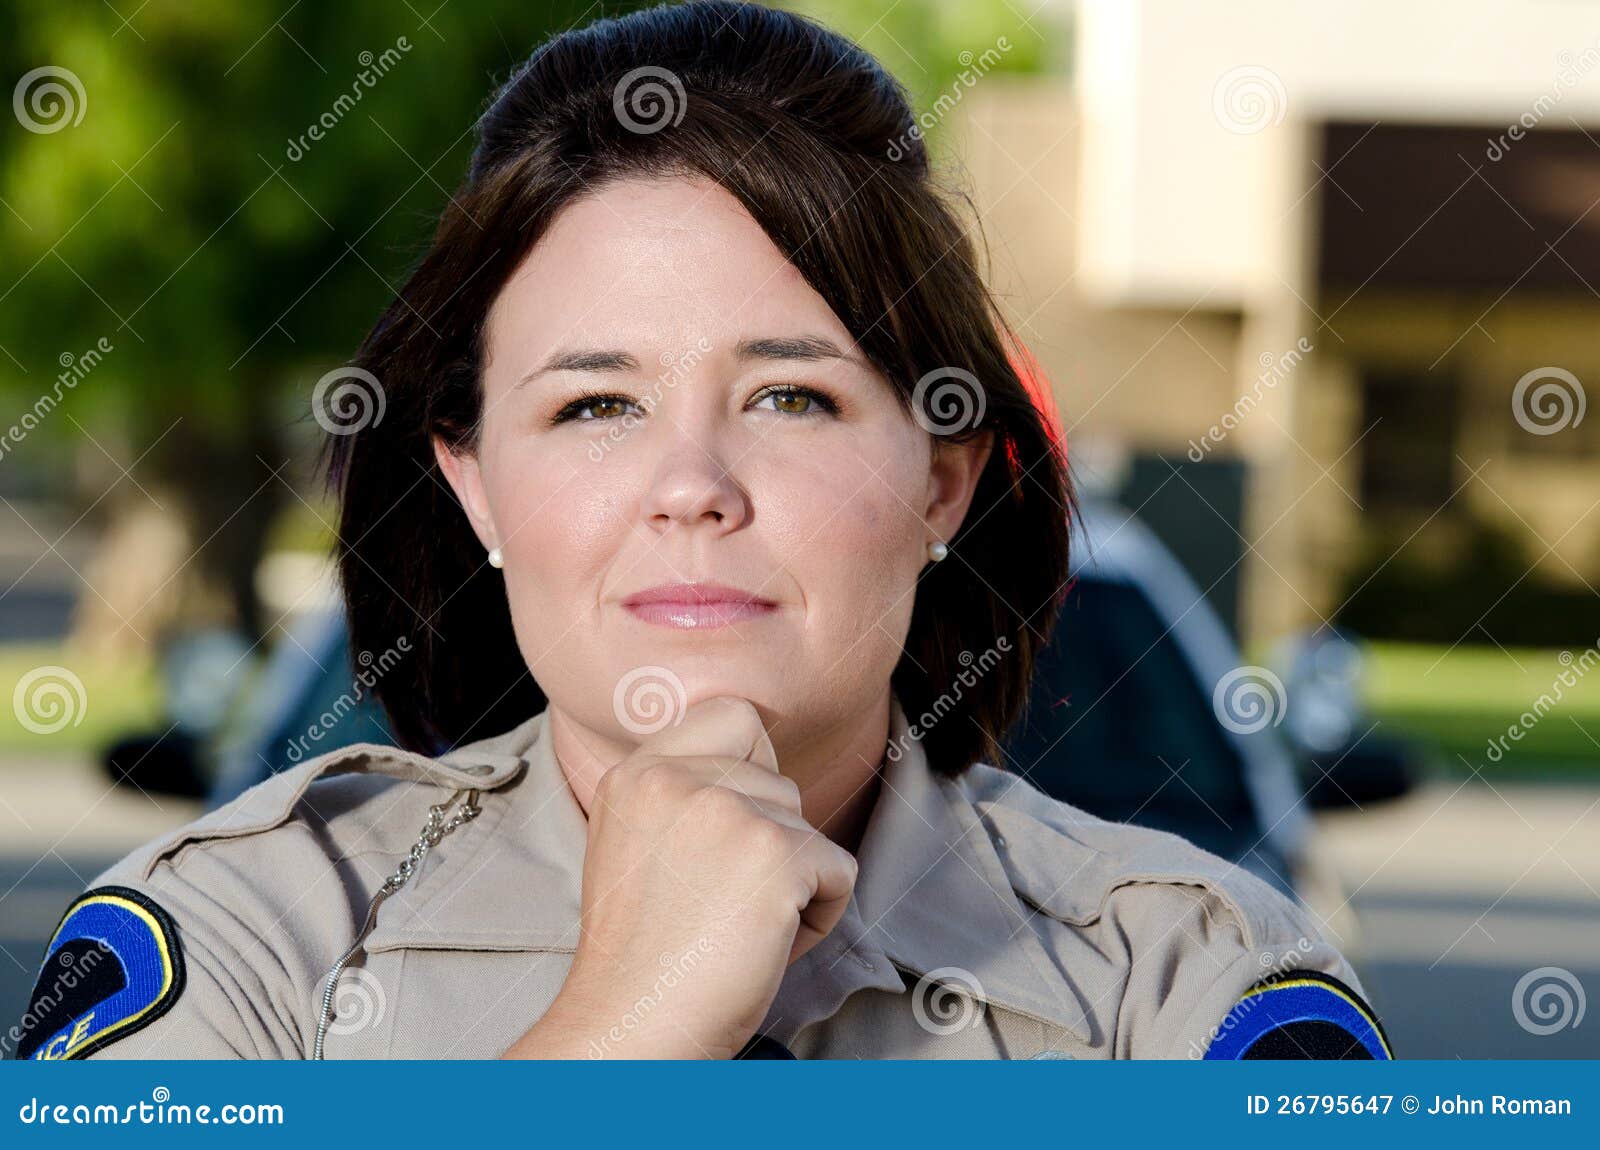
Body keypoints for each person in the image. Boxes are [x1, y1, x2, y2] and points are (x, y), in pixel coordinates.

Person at [14, 0, 1391, 1062]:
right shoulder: (239, 941)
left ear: (943, 479)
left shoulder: (1193, 988)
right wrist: (619, 1029)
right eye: (596, 403)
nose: (692, 483)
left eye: (791, 395)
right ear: (475, 478)